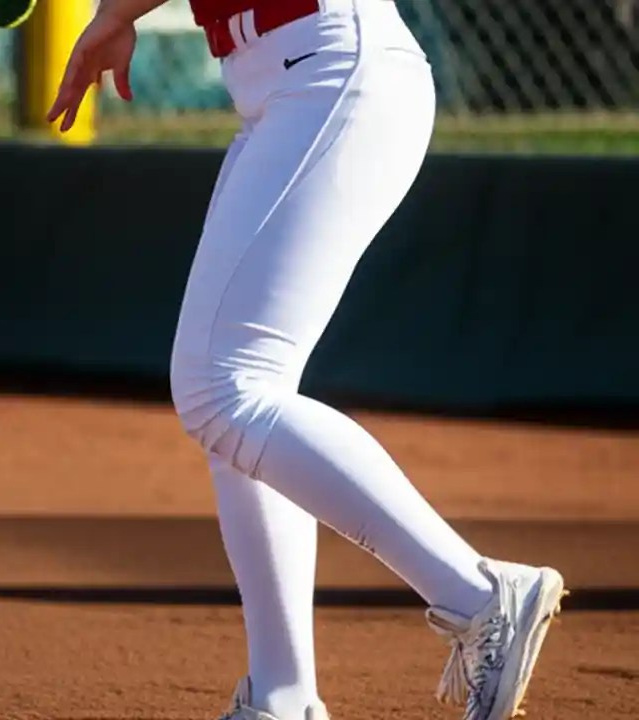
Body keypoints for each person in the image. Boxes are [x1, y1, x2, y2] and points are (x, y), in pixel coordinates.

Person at [47, 1, 565, 719]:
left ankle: (479, 596)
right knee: (235, 407)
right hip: (291, 78)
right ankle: (281, 696)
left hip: (327, 68)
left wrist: (114, 12)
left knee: (223, 388)